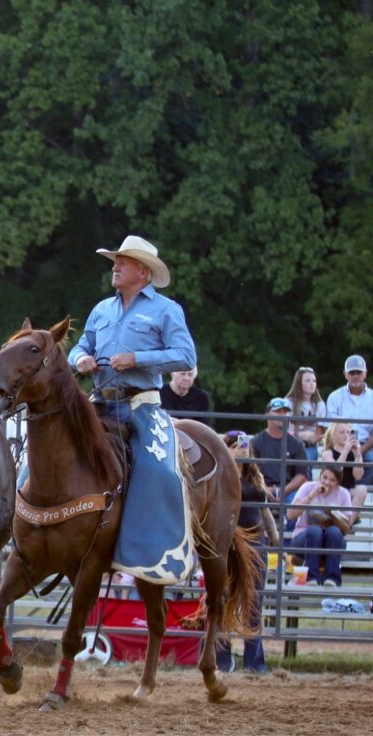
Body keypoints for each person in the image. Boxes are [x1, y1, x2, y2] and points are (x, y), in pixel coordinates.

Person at [68, 235, 197, 584]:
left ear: (143, 271)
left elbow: (186, 356)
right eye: (115, 261)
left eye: (122, 262)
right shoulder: (101, 309)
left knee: (158, 470)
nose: (115, 267)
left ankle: (151, 551)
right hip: (100, 401)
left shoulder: (166, 310)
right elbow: (80, 344)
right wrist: (80, 358)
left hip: (142, 404)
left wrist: (138, 359)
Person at [216, 430, 279, 674]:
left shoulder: (255, 477)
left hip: (256, 543)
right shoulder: (222, 477)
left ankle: (255, 663)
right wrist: (232, 461)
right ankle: (222, 658)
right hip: (230, 544)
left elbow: (263, 511)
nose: (243, 449)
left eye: (245, 445)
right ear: (228, 449)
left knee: (253, 603)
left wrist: (274, 537)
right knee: (224, 599)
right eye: (236, 445)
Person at [287, 466, 353, 586]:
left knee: (333, 531)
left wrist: (332, 514)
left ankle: (332, 579)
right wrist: (311, 496)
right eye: (325, 477)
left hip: (331, 542)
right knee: (314, 531)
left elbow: (346, 529)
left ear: (338, 483)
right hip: (304, 539)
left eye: (332, 480)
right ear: (320, 476)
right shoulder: (308, 487)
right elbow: (290, 514)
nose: (327, 482)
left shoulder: (343, 494)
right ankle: (312, 577)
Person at [250, 398, 309, 521]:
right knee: (250, 506)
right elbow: (248, 471)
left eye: (285, 412)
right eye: (278, 411)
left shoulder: (297, 444)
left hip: (288, 490)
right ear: (267, 415)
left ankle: (290, 541)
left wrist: (283, 490)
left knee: (297, 505)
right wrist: (264, 489)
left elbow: (301, 474)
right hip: (261, 489)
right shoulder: (255, 442)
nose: (283, 415)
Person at [326, 355, 373, 485]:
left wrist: (360, 450)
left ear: (365, 374)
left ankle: (360, 491)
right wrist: (345, 450)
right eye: (352, 372)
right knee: (330, 459)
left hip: (367, 446)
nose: (355, 376)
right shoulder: (334, 397)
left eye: (359, 372)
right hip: (338, 445)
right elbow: (331, 429)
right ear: (345, 374)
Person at [320, 423, 366, 523]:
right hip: (331, 492)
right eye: (342, 432)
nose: (346, 435)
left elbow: (358, 476)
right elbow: (335, 470)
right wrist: (345, 450)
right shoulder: (328, 453)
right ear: (333, 435)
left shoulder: (353, 453)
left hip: (348, 491)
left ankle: (347, 524)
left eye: (348, 433)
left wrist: (358, 455)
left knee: (362, 489)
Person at [284, 366, 327, 463]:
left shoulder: (320, 405)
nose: (312, 384)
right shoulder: (288, 403)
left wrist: (306, 442)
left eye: (314, 381)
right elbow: (285, 430)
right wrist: (300, 434)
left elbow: (318, 434)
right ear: (299, 383)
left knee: (305, 458)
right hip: (289, 444)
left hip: (309, 446)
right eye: (308, 381)